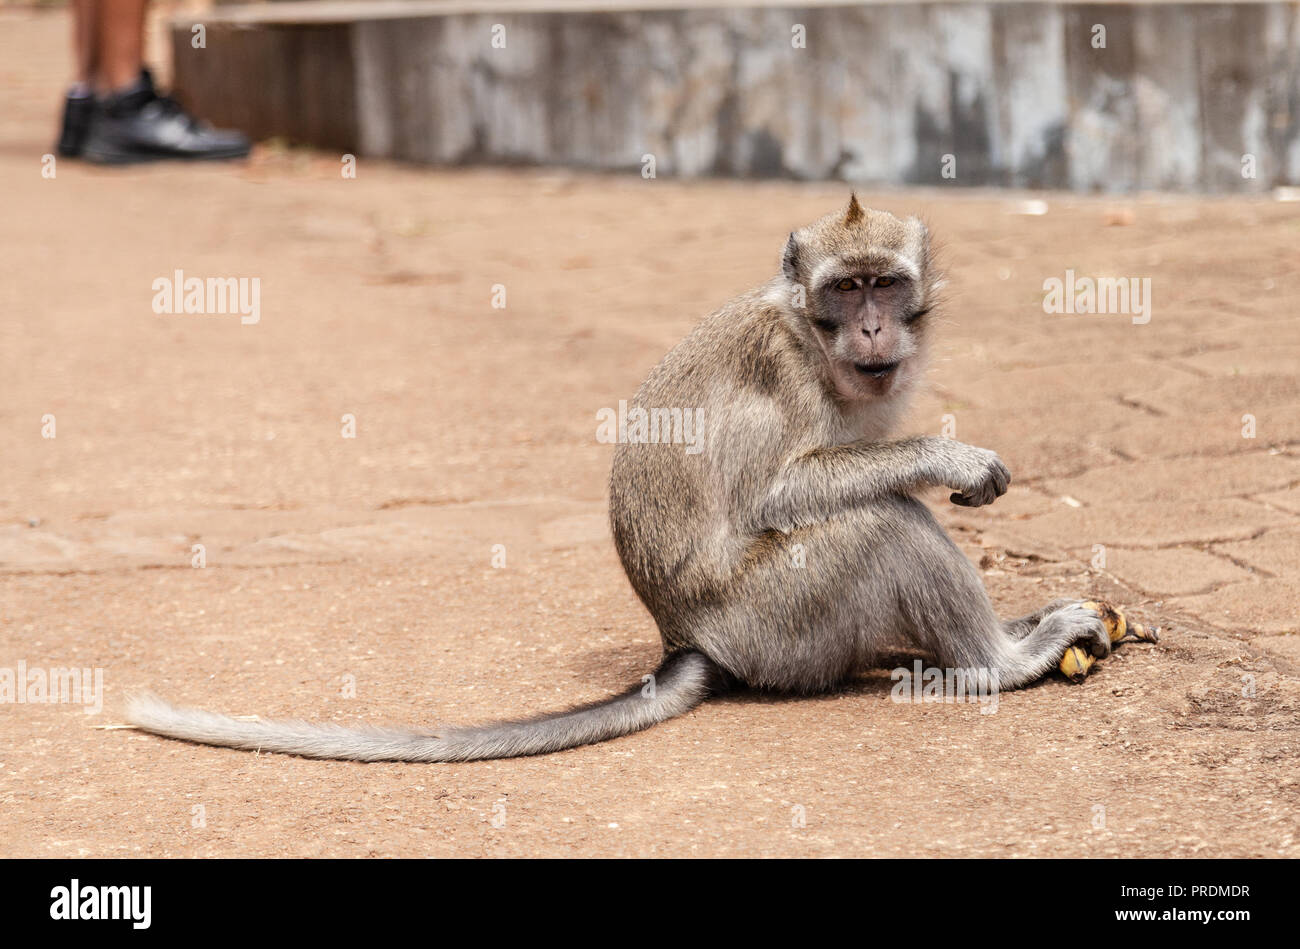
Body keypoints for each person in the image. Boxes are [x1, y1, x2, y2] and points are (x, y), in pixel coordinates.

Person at [57, 0, 250, 164]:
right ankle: (126, 97)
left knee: (95, 87)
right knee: (122, 89)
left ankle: (89, 97)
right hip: (119, 105)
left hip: (95, 101)